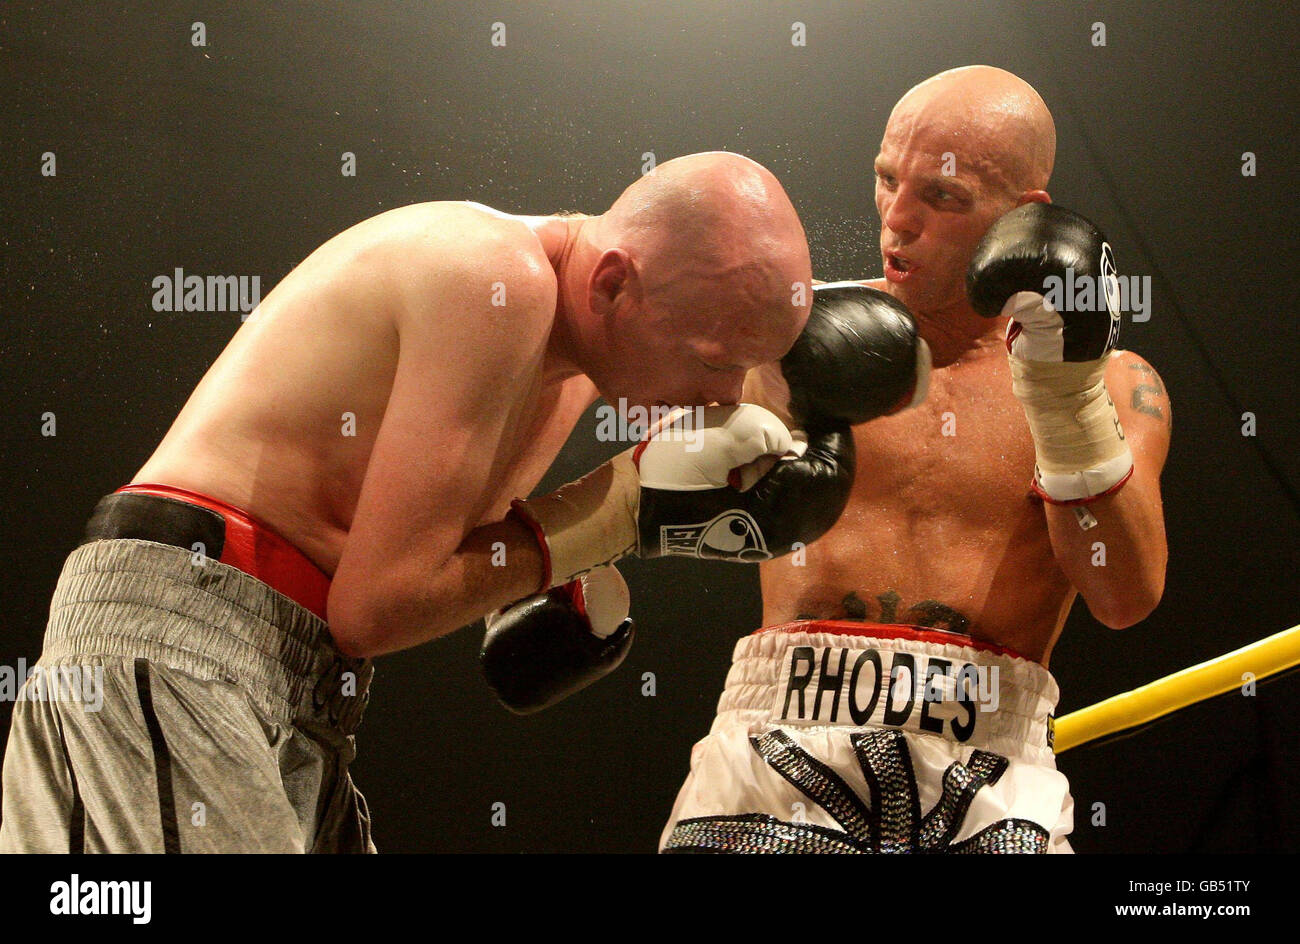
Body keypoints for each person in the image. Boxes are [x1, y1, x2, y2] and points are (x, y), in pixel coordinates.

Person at [0, 151, 840, 853]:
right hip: (182, 635)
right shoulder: (492, 275)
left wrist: (553, 589)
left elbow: (427, 573)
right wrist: (619, 512)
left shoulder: (567, 368)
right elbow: (379, 604)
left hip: (290, 682)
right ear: (614, 284)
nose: (725, 394)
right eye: (713, 360)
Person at [656, 66, 1172, 853]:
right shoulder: (792, 342)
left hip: (992, 774)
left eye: (944, 196)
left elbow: (1124, 595)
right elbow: (646, 480)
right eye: (887, 179)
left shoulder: (1111, 383)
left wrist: (1063, 405)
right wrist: (566, 568)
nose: (897, 220)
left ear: (1023, 219)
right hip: (781, 739)